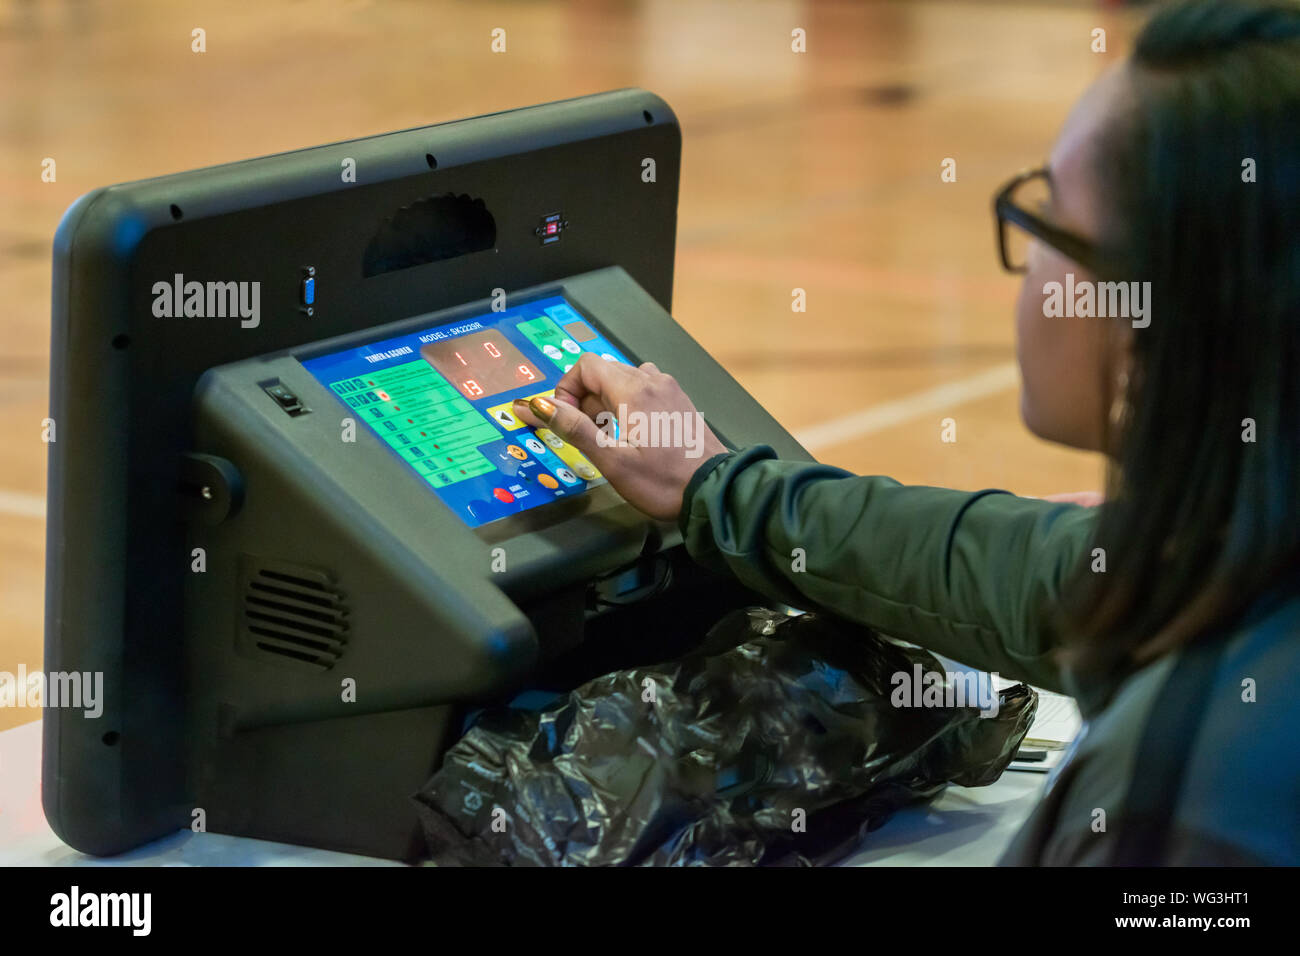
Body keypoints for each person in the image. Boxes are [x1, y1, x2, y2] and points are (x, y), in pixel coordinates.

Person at [515, 0, 1300, 866]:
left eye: (1047, 221)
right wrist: (717, 486)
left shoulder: (1194, 788)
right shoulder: (1239, 557)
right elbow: (1027, 570)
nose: (1030, 260)